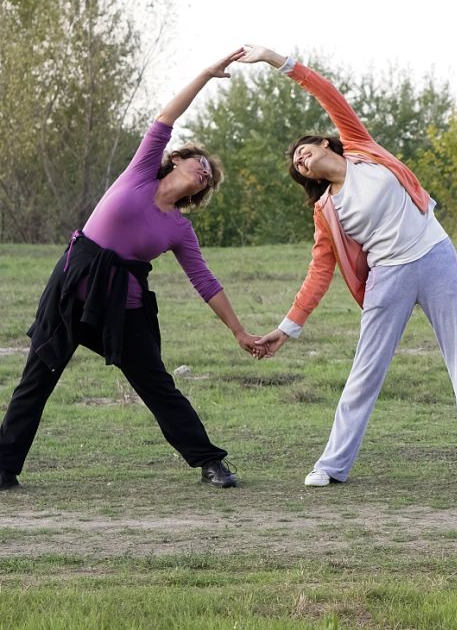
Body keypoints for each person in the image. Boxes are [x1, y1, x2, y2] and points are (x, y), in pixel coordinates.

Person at [0, 49, 263, 491]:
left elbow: (205, 282)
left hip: (123, 309)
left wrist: (239, 332)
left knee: (158, 386)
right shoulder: (139, 173)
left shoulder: (179, 229)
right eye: (199, 163)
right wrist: (203, 73)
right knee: (35, 381)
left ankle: (209, 462)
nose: (203, 172)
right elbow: (165, 117)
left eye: (209, 177)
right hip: (71, 293)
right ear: (176, 160)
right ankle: (4, 468)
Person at [238, 45, 457, 488]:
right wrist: (288, 327)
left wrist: (273, 59)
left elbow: (327, 93)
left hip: (435, 255)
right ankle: (332, 465)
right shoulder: (327, 210)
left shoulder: (361, 148)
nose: (302, 162)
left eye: (304, 152)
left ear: (324, 144)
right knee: (365, 372)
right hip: (388, 277)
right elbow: (319, 272)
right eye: (299, 167)